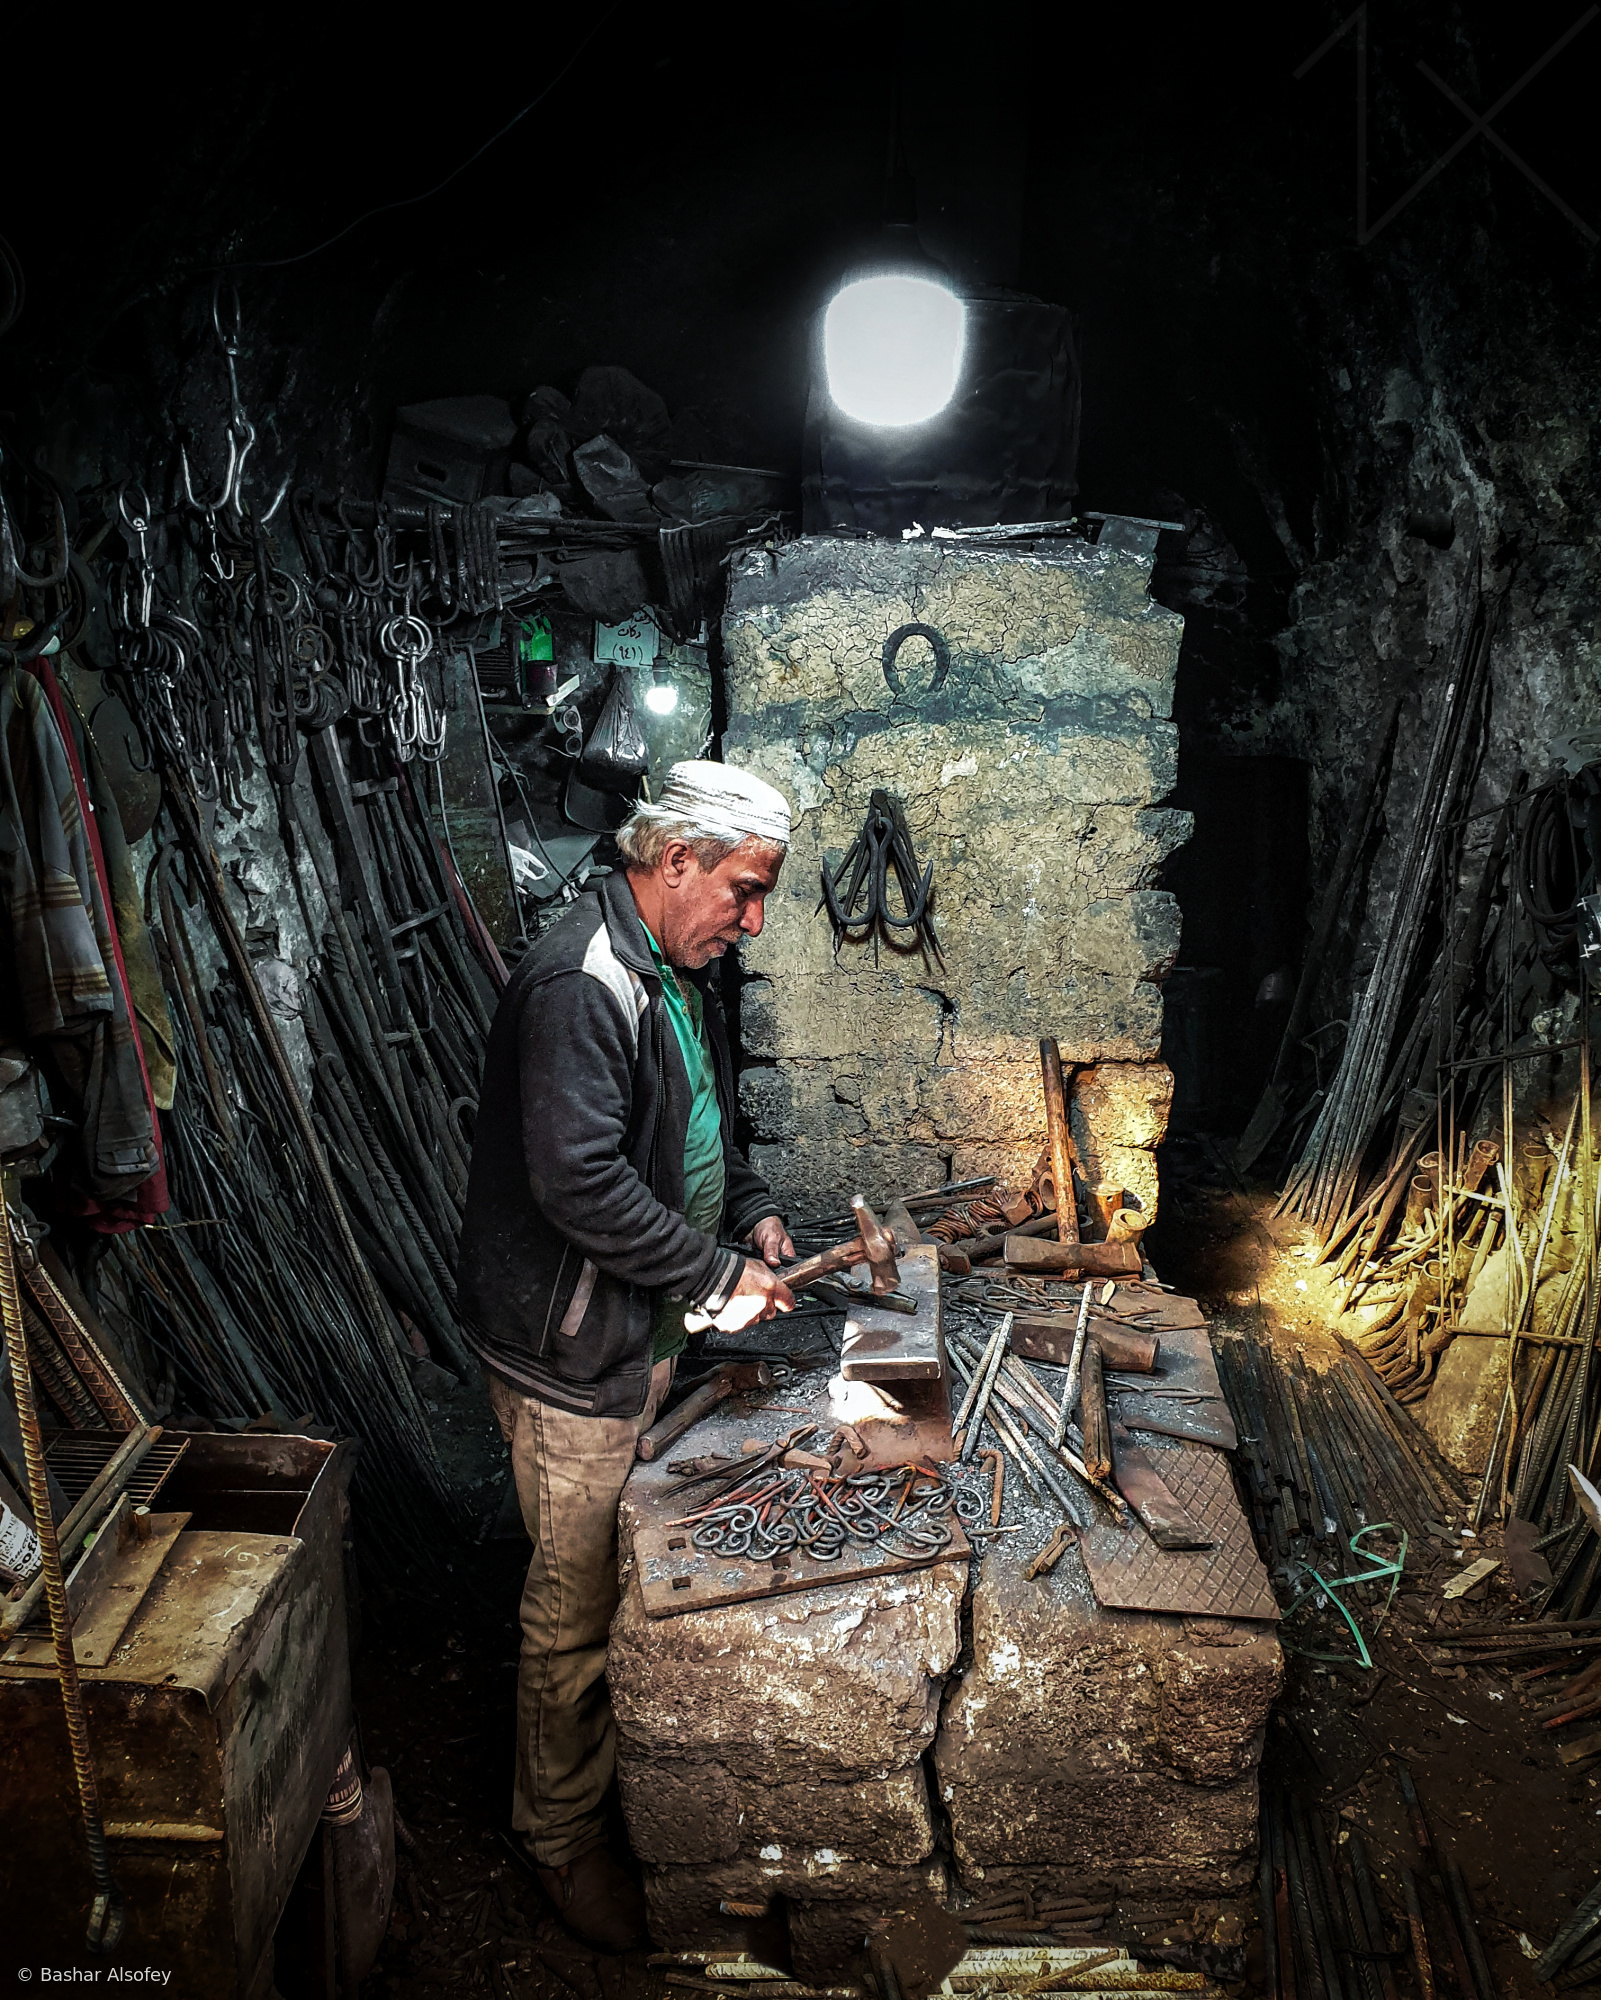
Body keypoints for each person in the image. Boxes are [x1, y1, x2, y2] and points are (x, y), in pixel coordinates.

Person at [458, 759, 797, 1951]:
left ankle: (612, 1783)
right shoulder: (582, 980)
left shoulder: (668, 969)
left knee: (607, 1570)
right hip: (568, 1350)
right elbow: (579, 1181)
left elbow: (692, 1121)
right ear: (675, 860)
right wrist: (714, 1276)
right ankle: (554, 1835)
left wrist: (748, 1208)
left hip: (630, 1326)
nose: (752, 920)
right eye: (744, 889)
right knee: (571, 1606)